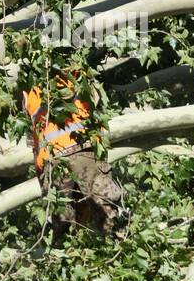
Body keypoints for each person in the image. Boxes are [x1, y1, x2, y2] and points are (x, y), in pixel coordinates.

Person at [22, 74, 122, 234]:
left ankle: (68, 251)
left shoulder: (29, 91)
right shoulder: (76, 71)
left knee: (62, 223)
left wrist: (43, 179)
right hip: (83, 148)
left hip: (52, 161)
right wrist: (102, 153)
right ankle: (118, 245)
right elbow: (98, 111)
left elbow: (33, 144)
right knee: (107, 213)